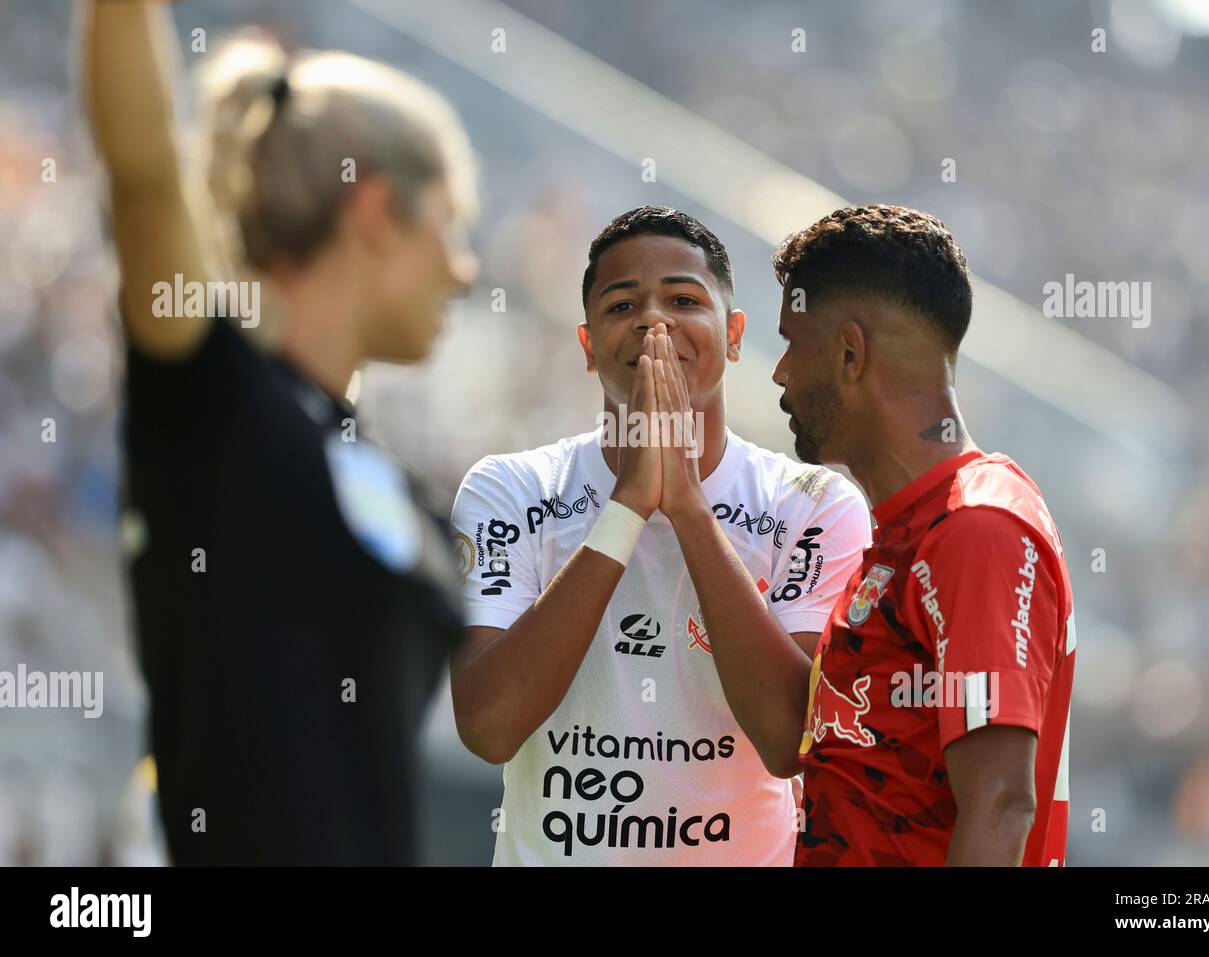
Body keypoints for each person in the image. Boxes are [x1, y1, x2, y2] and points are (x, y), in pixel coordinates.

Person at [82, 0, 478, 864]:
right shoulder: (213, 399)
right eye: (450, 225)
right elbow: (143, 169)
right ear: (376, 212)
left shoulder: (386, 475)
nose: (464, 268)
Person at [449, 206, 870, 865]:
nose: (653, 320)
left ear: (732, 334)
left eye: (682, 298)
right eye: (622, 304)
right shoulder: (510, 489)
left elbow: (791, 739)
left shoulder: (812, 505)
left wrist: (688, 509)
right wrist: (627, 508)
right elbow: (489, 725)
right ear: (589, 347)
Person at [756, 204, 1075, 866]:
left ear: (850, 352)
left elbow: (1001, 802)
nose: (780, 372)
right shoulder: (908, 532)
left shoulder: (978, 528)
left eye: (792, 341)